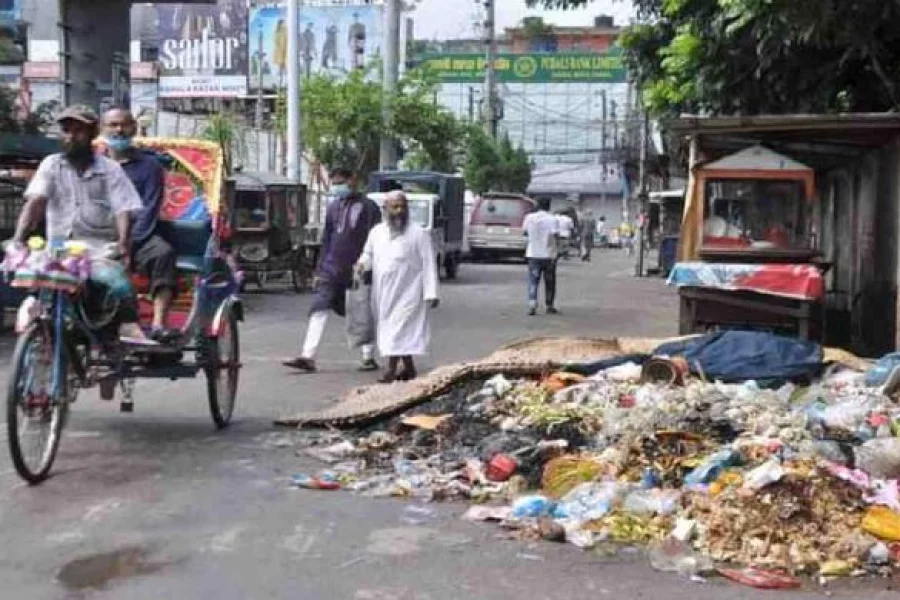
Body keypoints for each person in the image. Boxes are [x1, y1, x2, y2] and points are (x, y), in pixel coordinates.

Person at [14, 105, 147, 343]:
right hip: (58, 247)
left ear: (92, 134)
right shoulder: (51, 164)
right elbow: (35, 202)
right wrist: (18, 239)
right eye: (66, 130)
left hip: (98, 248)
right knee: (32, 276)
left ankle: (127, 324)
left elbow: (122, 209)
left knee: (116, 281)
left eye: (78, 131)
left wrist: (124, 244)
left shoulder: (110, 169)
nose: (71, 136)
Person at [283, 167, 382, 373]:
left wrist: (370, 266)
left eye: (340, 183)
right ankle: (307, 356)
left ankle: (368, 357)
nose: (337, 187)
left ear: (352, 180)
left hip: (359, 269)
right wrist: (319, 269)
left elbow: (376, 240)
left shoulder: (369, 207)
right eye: (334, 184)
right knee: (319, 307)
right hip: (331, 268)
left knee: (362, 311)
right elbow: (326, 239)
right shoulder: (333, 207)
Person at [101, 107, 179, 342]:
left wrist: (128, 244)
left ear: (134, 128)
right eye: (113, 125)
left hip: (139, 236)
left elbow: (149, 208)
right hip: (100, 235)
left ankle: (158, 323)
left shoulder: (149, 166)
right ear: (102, 129)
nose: (119, 130)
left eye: (124, 124)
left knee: (163, 253)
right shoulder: (94, 164)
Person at [357, 191, 439, 383]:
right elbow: (368, 254)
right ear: (385, 209)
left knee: (398, 329)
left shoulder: (418, 234)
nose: (399, 211)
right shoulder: (377, 232)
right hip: (383, 293)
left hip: (410, 293)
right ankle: (409, 368)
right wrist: (361, 265)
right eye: (395, 207)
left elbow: (429, 263)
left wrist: (431, 293)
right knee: (393, 330)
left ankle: (391, 370)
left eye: (403, 206)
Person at [523, 197, 559, 316]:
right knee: (550, 281)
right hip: (548, 255)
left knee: (533, 280)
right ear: (549, 206)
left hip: (533, 254)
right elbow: (554, 237)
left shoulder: (529, 217)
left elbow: (525, 232)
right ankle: (549, 305)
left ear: (537, 205)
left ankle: (532, 304)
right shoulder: (552, 219)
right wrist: (555, 252)